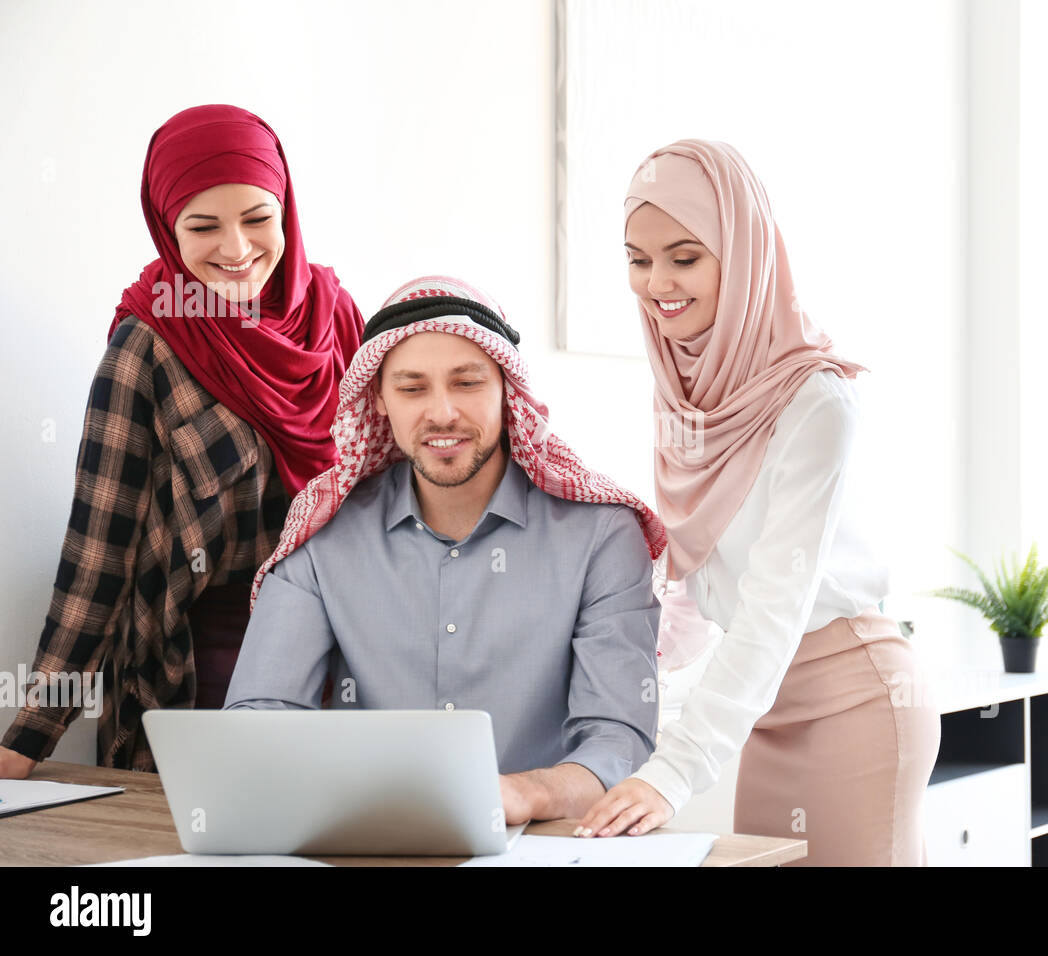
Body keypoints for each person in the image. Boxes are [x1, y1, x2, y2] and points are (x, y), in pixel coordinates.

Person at [575, 139, 942, 866]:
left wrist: (673, 771)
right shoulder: (684, 388)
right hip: (763, 713)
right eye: (637, 259)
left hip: (853, 703)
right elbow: (697, 567)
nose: (656, 284)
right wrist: (615, 672)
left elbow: (773, 606)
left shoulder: (816, 403)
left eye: (685, 257)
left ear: (740, 253)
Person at [0, 105, 364, 778]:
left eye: (258, 218)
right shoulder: (150, 343)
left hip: (345, 675)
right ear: (167, 228)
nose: (236, 248)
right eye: (203, 226)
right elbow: (97, 559)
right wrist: (26, 740)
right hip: (199, 679)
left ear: (287, 207)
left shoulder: (337, 319)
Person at [223, 275, 667, 823]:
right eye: (412, 388)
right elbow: (261, 713)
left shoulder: (602, 535)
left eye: (467, 383)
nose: (442, 413)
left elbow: (618, 739)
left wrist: (525, 794)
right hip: (368, 845)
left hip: (547, 849)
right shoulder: (325, 534)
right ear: (379, 401)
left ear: (508, 390)